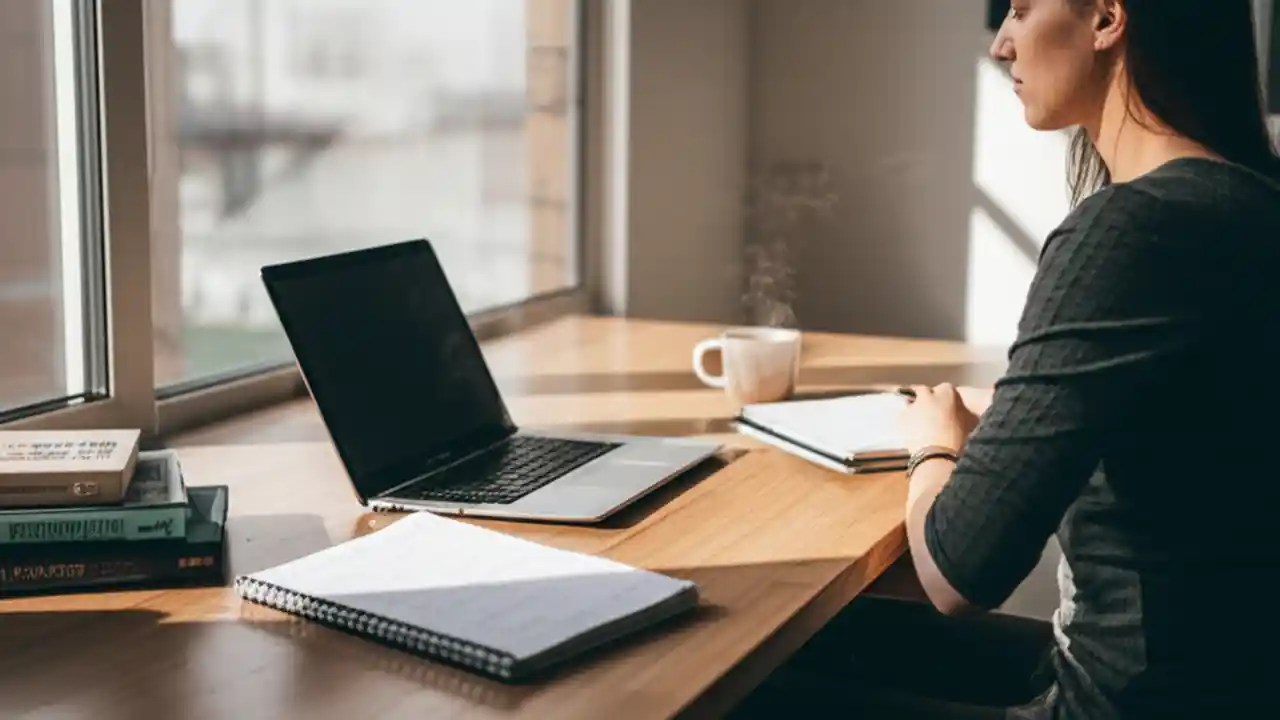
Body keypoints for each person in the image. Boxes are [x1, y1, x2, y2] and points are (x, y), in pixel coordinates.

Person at [734, 1, 1280, 718]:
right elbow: (1184, 422)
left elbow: (957, 573)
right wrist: (1020, 406)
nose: (1001, 46)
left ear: (1108, 17)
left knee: (744, 676)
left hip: (1111, 702)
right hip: (1223, 687)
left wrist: (932, 444)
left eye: (1022, 9)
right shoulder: (1250, 205)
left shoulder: (1129, 230)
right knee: (791, 642)